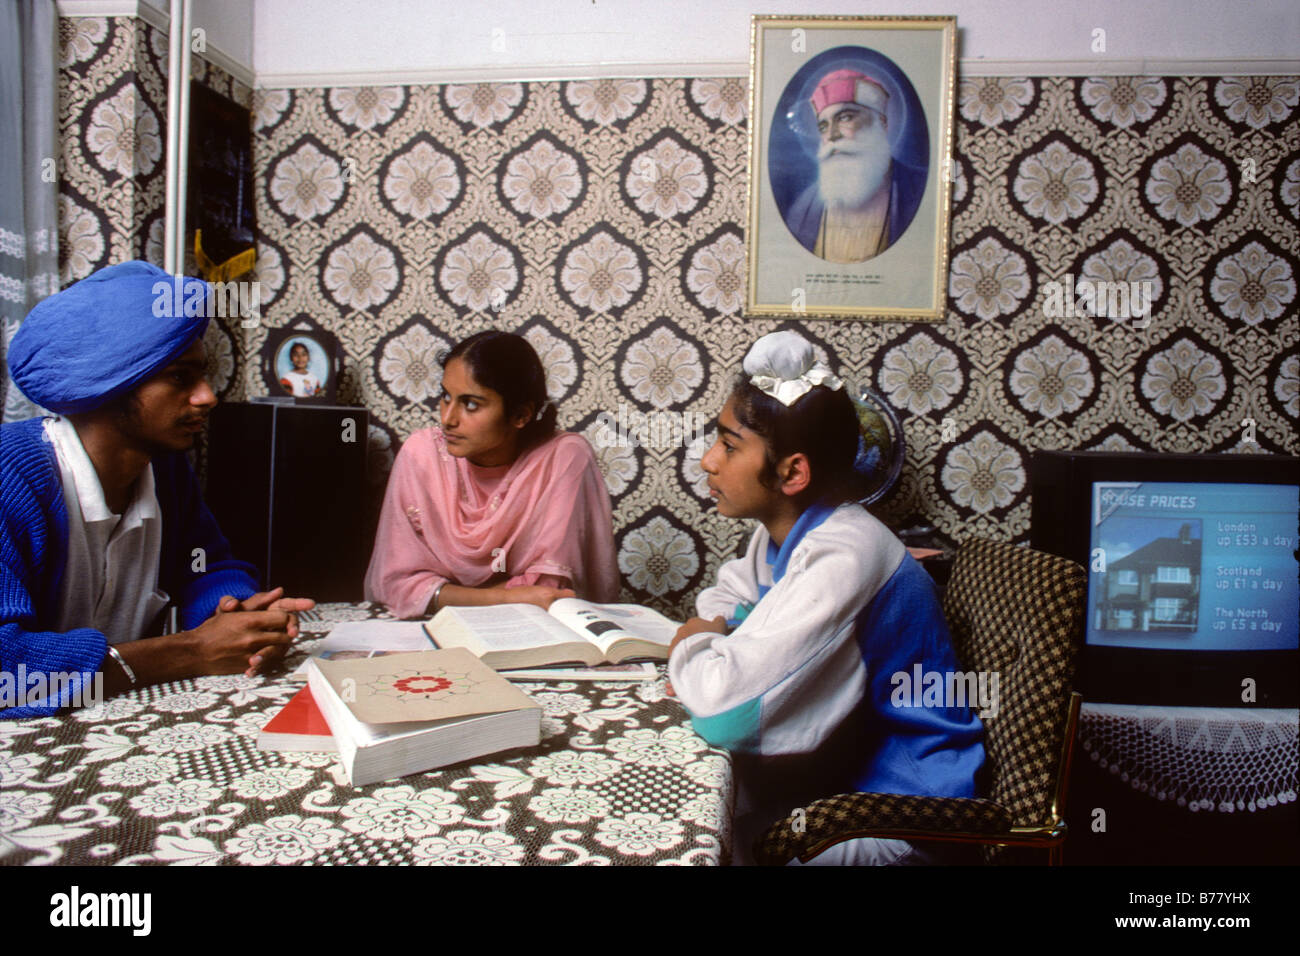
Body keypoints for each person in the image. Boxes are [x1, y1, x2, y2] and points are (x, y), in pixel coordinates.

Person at [667, 330, 984, 865]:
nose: (708, 462)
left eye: (728, 444)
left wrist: (695, 647)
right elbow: (726, 602)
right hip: (838, 780)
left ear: (792, 472)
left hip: (903, 810)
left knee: (705, 843)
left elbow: (727, 713)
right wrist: (719, 634)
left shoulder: (845, 555)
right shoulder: (787, 532)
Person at [1, 261, 315, 719]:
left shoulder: (165, 470)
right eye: (179, 378)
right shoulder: (12, 475)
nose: (208, 396)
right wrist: (190, 651)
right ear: (111, 382)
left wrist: (231, 614)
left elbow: (206, 566)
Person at [364, 330, 618, 619]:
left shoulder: (563, 458)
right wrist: (499, 597)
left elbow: (548, 592)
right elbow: (396, 585)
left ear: (520, 415)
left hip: (529, 632)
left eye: (471, 404)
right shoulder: (421, 455)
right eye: (446, 397)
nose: (448, 419)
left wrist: (449, 594)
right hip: (431, 629)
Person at [783, 68, 927, 263]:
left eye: (845, 117)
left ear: (882, 124)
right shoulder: (802, 209)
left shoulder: (920, 189)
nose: (832, 135)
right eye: (823, 127)